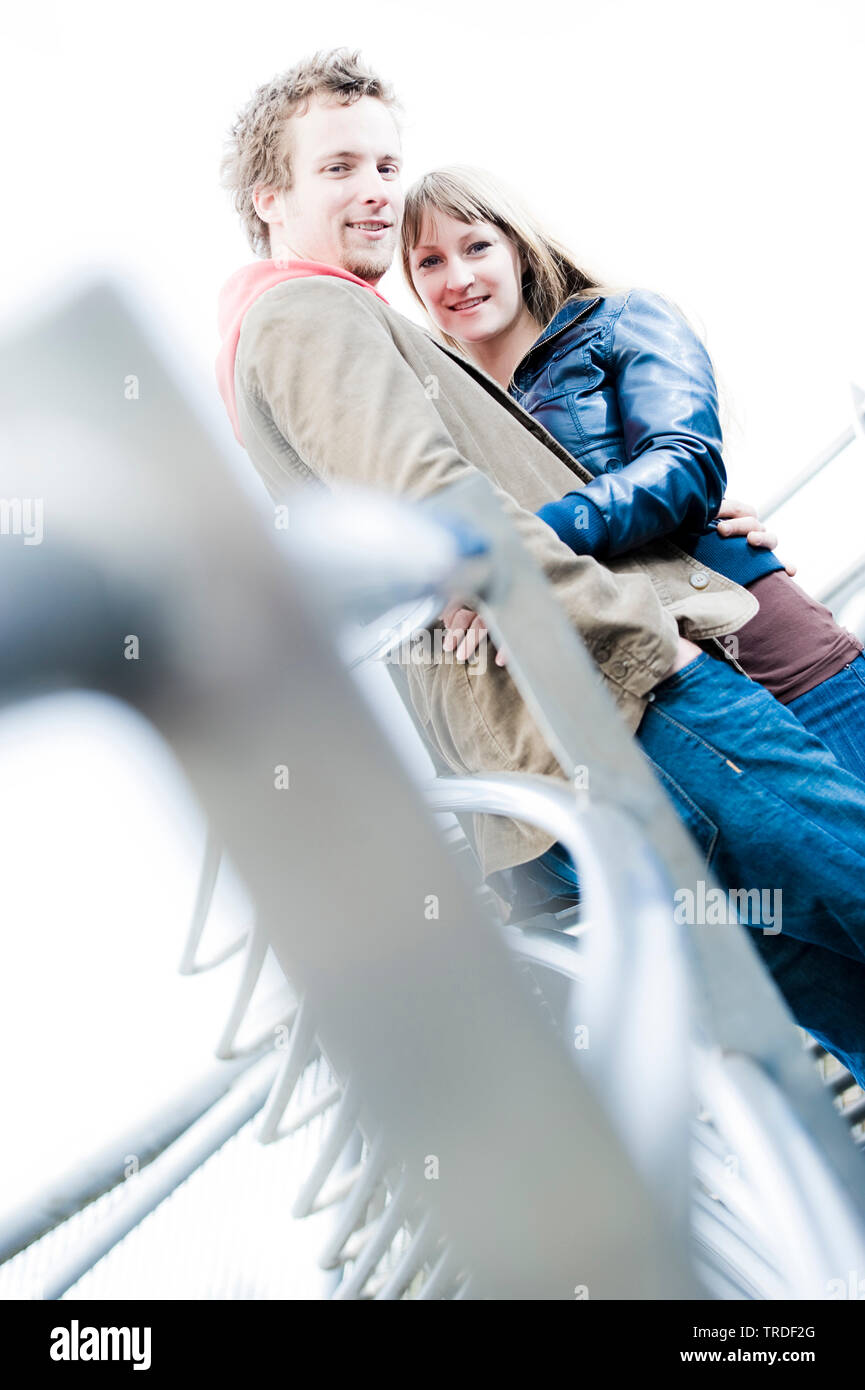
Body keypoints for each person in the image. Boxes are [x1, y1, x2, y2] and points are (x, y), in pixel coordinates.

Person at [216, 49, 865, 1082]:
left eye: (386, 164)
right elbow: (440, 506)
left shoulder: (589, 325)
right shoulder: (306, 315)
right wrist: (631, 637)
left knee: (834, 983)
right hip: (630, 692)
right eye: (339, 168)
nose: (376, 190)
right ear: (270, 196)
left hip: (643, 704)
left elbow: (658, 472)